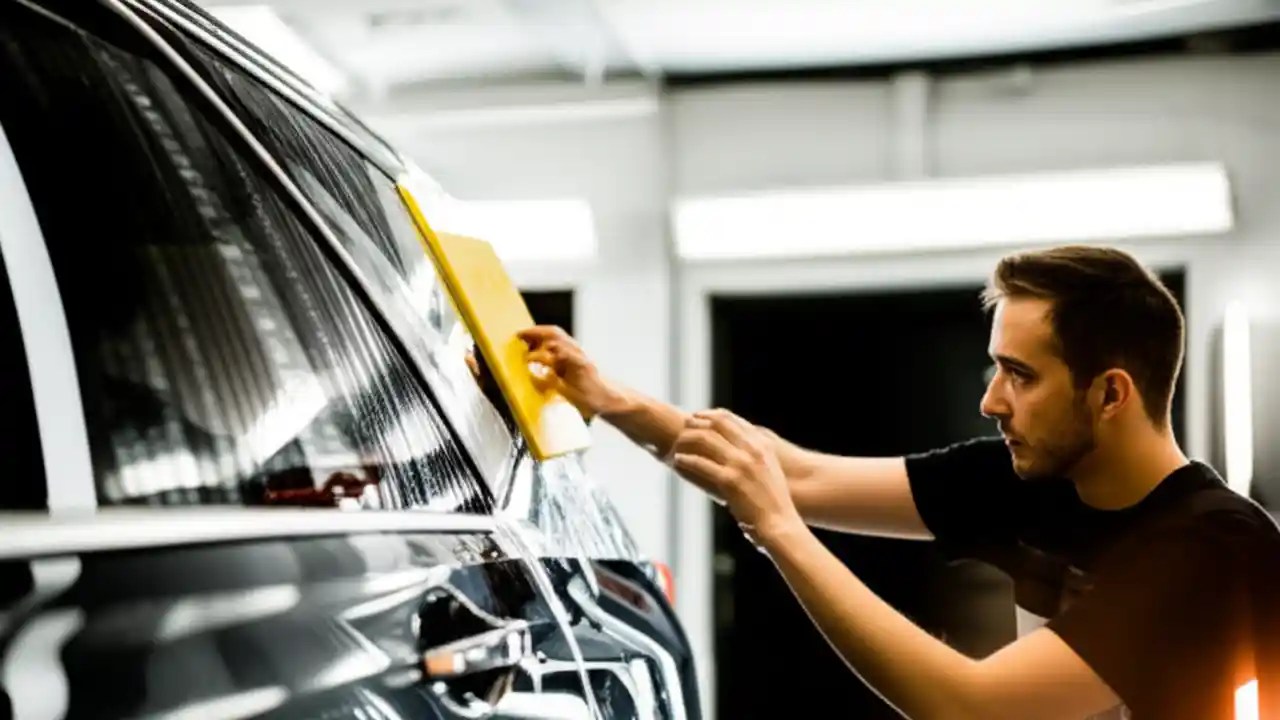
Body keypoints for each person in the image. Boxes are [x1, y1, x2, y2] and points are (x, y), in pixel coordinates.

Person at [500, 244, 1279, 719]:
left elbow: (974, 708)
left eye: (1019, 375)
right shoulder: (1028, 479)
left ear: (1110, 394)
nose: (991, 401)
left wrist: (780, 534)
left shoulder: (1210, 546)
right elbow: (794, 473)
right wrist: (610, 399)